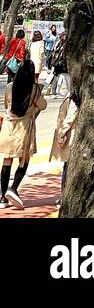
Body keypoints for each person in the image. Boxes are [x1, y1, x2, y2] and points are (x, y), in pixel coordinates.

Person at [0, 57, 47, 208]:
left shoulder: (9, 87)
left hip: (9, 127)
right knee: (24, 160)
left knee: (7, 161)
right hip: (24, 129)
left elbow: (7, 104)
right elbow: (44, 105)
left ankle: (2, 198)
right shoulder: (34, 91)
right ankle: (13, 188)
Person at [50, 89, 79, 207]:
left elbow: (71, 116)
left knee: (68, 167)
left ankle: (65, 196)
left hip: (70, 135)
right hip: (69, 134)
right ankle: (64, 195)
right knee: (67, 167)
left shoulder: (74, 97)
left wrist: (62, 133)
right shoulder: (72, 95)